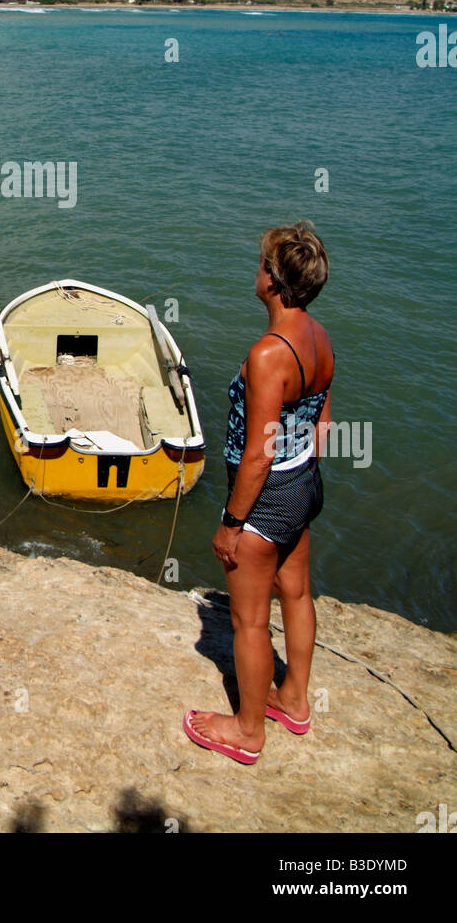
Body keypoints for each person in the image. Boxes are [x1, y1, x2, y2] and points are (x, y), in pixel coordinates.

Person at [183, 220, 333, 765]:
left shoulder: (270, 354)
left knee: (248, 620)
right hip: (304, 483)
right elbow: (323, 427)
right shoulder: (319, 336)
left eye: (260, 263)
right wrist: (301, 487)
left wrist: (231, 523)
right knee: (295, 593)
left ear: (272, 280)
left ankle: (247, 730)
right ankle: (292, 699)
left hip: (267, 496)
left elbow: (257, 453)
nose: (256, 271)